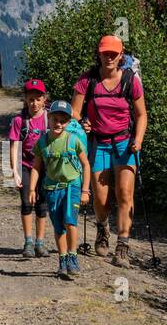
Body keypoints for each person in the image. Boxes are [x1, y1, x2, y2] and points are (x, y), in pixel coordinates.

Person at [71, 34, 148, 267]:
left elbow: (141, 115)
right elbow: (74, 112)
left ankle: (122, 245)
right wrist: (82, 122)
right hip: (98, 143)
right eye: (105, 53)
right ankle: (103, 228)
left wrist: (138, 140)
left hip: (125, 143)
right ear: (99, 54)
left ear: (121, 55)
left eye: (113, 54)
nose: (109, 57)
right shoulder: (88, 80)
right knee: (101, 199)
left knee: (125, 193)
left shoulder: (130, 80)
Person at [30, 100, 90, 280]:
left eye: (63, 121)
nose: (58, 124)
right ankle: (62, 260)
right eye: (55, 119)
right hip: (52, 188)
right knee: (58, 226)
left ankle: (73, 256)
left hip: (72, 186)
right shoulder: (42, 142)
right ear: (48, 118)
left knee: (70, 222)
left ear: (69, 122)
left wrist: (85, 190)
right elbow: (36, 167)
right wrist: (32, 189)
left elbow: (86, 165)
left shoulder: (73, 140)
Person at [9, 79, 50, 258]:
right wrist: (15, 171)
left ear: (44, 99)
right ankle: (28, 241)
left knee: (42, 204)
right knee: (27, 202)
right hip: (25, 166)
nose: (34, 103)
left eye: (38, 99)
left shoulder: (50, 119)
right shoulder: (19, 121)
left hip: (45, 168)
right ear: (25, 99)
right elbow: (14, 147)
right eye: (31, 99)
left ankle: (40, 243)